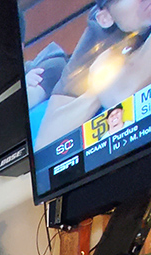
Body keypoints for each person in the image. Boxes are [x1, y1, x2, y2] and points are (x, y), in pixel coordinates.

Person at [36, 0, 151, 150]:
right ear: (105, 18)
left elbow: (123, 94)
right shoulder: (100, 35)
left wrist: (105, 77)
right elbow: (46, 144)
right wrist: (96, 90)